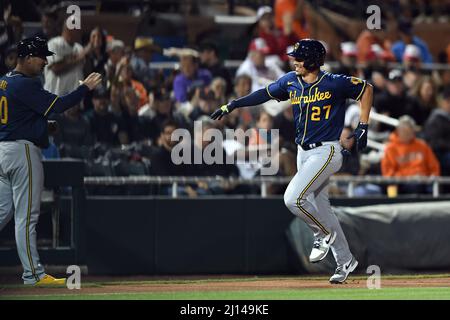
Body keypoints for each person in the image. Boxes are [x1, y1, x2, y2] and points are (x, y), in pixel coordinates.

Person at [211, 39, 373, 284]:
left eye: (299, 57)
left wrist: (363, 125)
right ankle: (345, 260)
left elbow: (366, 88)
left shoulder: (333, 82)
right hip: (303, 152)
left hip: (326, 151)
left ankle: (321, 235)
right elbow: (263, 94)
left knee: (293, 198)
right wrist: (234, 104)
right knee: (323, 209)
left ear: (312, 60)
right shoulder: (290, 81)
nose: (294, 60)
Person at [0, 36, 101, 285]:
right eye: (41, 56)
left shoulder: (3, 81)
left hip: (3, 151)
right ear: (26, 57)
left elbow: (20, 117)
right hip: (22, 153)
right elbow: (59, 104)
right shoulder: (26, 84)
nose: (45, 61)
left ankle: (32, 272)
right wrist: (84, 88)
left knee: (2, 211)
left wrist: (42, 127)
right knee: (26, 217)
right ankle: (33, 274)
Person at [381, 115, 440, 194]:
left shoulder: (422, 145)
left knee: (435, 186)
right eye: (405, 131)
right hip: (403, 183)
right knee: (413, 186)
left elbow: (434, 166)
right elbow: (388, 173)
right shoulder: (390, 148)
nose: (408, 134)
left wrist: (430, 178)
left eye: (410, 131)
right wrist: (408, 177)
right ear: (398, 131)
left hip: (423, 181)